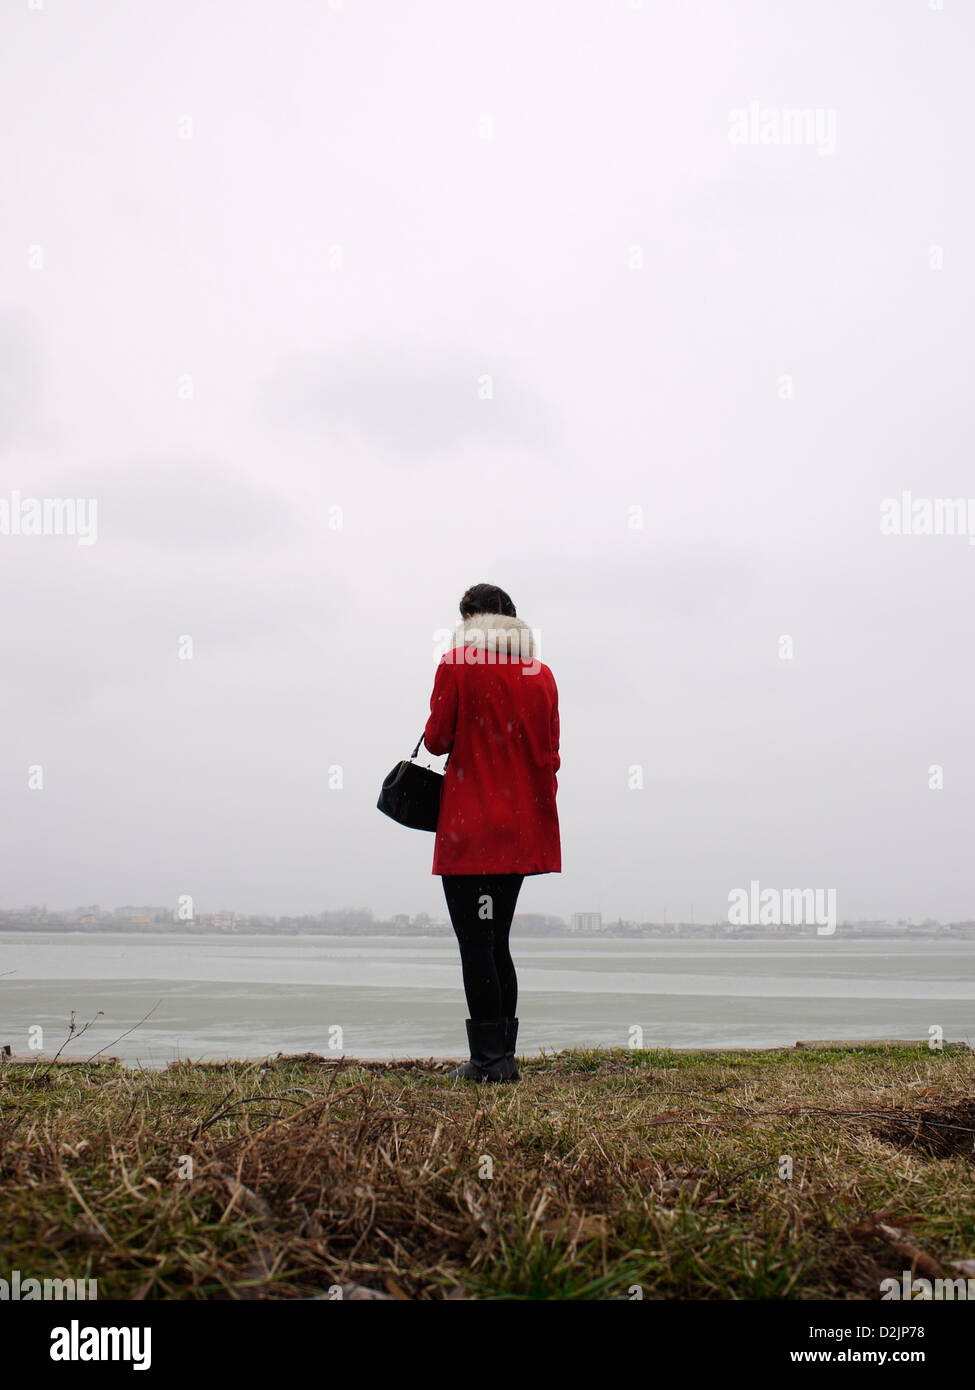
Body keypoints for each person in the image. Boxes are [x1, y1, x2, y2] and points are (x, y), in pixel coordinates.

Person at [424, 583, 561, 1083]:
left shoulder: (455, 665)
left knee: (475, 943)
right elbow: (551, 753)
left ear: (467, 617)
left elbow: (437, 741)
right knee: (498, 940)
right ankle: (501, 1060)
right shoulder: (540, 675)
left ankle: (488, 1064)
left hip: (469, 826)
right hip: (522, 827)